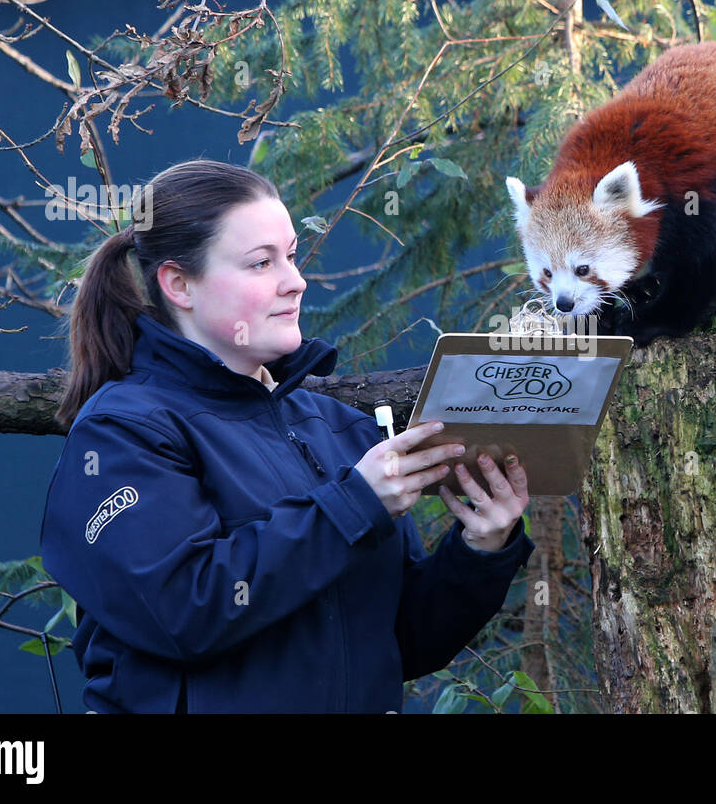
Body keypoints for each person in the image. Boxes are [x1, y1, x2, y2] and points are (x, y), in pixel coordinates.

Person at [40, 159, 534, 713]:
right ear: (179, 284)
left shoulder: (336, 428)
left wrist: (482, 547)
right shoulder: (123, 432)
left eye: (292, 256)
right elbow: (181, 612)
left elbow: (399, 641)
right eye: (260, 263)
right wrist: (353, 505)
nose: (294, 281)